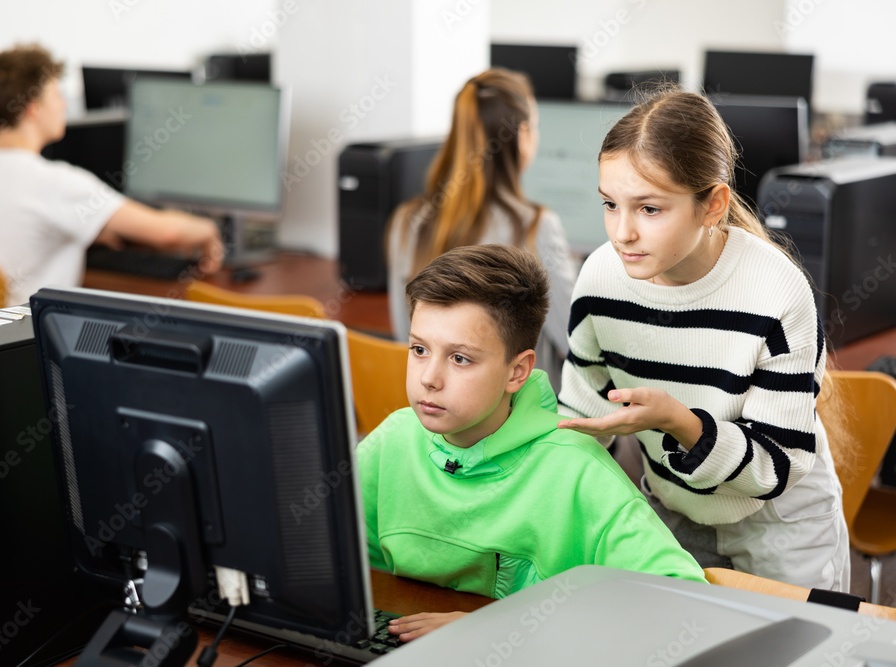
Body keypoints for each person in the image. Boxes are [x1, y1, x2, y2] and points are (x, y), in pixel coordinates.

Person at [556, 90, 850, 592]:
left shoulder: (775, 291)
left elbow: (775, 465)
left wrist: (680, 422)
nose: (622, 232)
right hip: (672, 511)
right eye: (610, 204)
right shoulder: (601, 278)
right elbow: (579, 427)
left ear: (712, 203)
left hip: (779, 523)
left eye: (649, 209)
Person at [358, 244, 706, 642]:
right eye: (419, 350)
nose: (428, 378)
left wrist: (495, 628)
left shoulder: (576, 471)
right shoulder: (391, 442)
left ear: (517, 371)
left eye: (460, 359)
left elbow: (683, 603)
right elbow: (322, 562)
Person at [0, 44, 225, 307]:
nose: (63, 104)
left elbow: (10, 228)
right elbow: (167, 233)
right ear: (33, 108)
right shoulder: (55, 182)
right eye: (56, 94)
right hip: (28, 344)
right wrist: (208, 230)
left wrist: (92, 229)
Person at [385, 68, 577, 390]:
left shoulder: (408, 222)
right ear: (524, 134)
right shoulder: (536, 227)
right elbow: (575, 341)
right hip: (515, 426)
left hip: (440, 422)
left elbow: (401, 335)